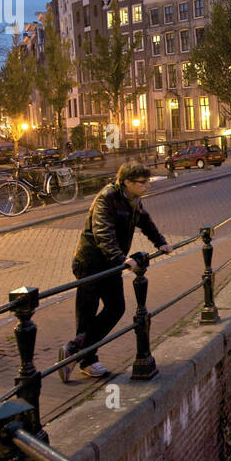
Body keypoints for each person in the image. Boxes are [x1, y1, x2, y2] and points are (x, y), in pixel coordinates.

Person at [59, 160, 172, 380]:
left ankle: (75, 349)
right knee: (87, 313)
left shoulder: (133, 199)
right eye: (142, 182)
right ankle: (87, 360)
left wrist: (160, 242)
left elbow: (145, 221)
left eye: (147, 182)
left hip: (111, 264)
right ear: (127, 181)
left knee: (116, 307)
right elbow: (103, 232)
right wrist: (120, 258)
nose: (146, 186)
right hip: (90, 263)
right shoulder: (106, 198)